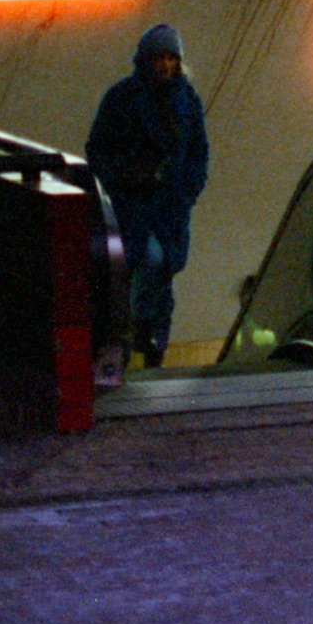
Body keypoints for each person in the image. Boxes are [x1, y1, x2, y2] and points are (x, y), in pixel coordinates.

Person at [86, 23, 211, 368]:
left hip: (169, 206)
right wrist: (122, 177)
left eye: (171, 58)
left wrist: (188, 190)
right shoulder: (124, 99)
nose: (165, 65)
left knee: (156, 272)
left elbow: (198, 152)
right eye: (159, 57)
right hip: (134, 205)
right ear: (146, 59)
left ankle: (146, 343)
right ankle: (145, 338)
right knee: (150, 264)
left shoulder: (186, 101)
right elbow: (98, 149)